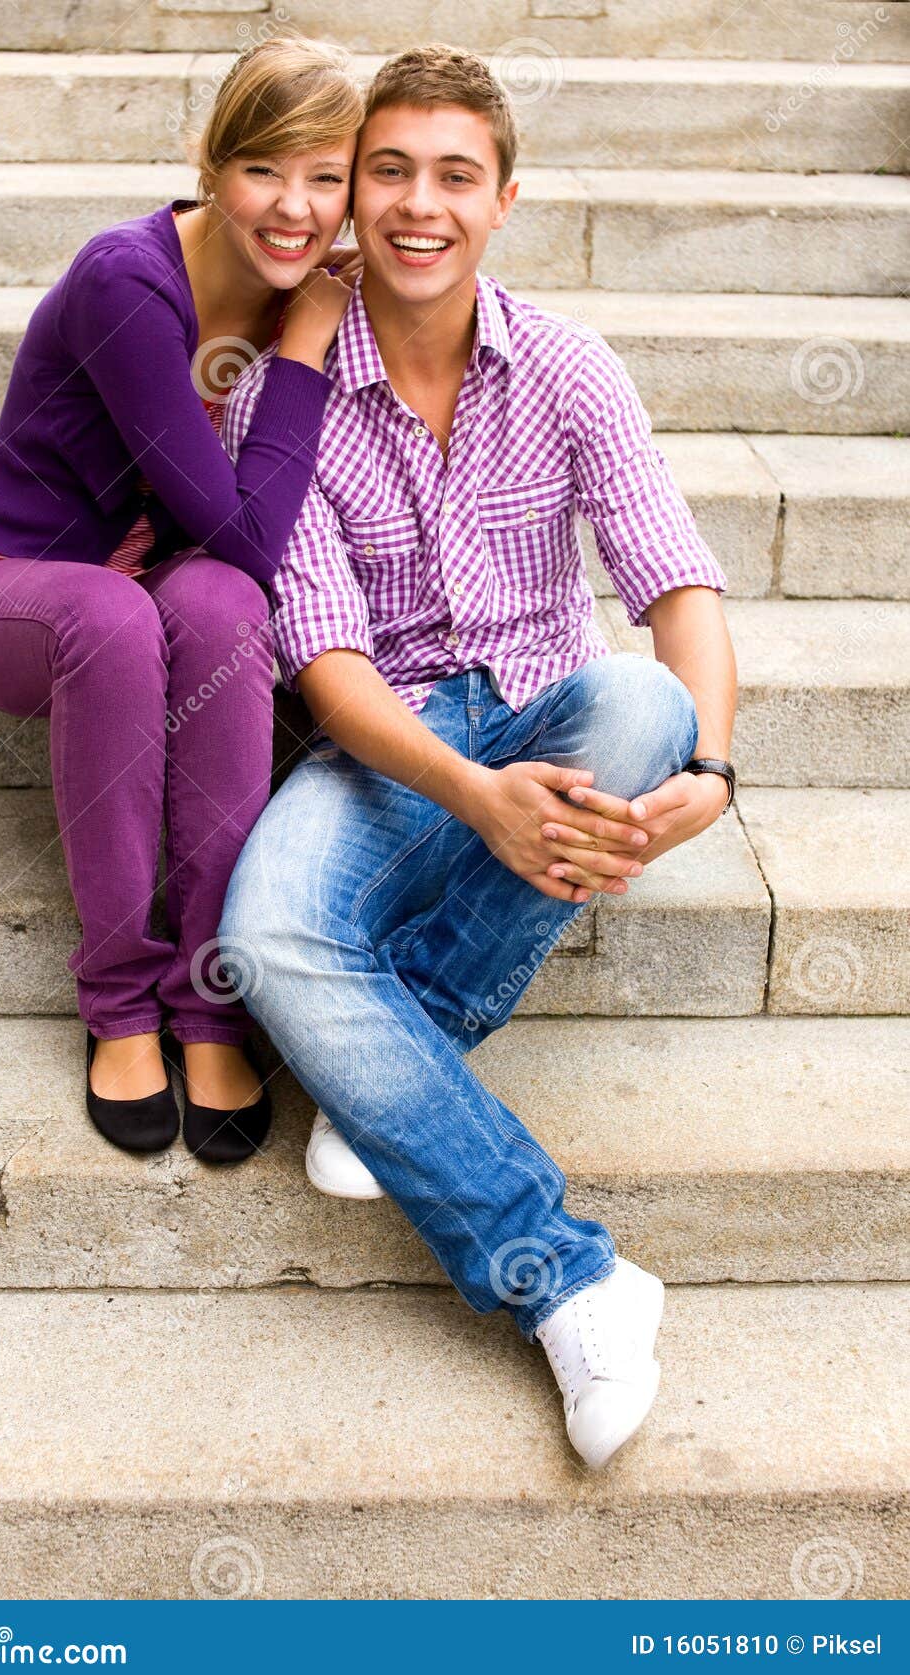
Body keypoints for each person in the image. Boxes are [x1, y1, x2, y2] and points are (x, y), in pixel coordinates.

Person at [216, 44, 737, 1470]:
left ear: (502, 198)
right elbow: (319, 658)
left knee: (640, 709)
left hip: (535, 707)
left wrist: (715, 775)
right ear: (349, 197)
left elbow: (674, 582)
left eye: (453, 173)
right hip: (380, 742)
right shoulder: (284, 394)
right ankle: (568, 1277)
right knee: (262, 938)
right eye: (386, 171)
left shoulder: (565, 365)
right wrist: (469, 796)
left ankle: (412, 1042)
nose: (416, 203)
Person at [0, 37, 365, 1162]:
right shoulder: (130, 279)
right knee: (123, 615)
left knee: (220, 609)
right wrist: (306, 357)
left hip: (155, 590)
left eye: (326, 177)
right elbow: (248, 527)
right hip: (13, 590)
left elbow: (235, 564)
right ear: (213, 164)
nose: (294, 207)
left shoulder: (299, 292)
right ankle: (118, 1000)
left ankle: (208, 995)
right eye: (266, 169)